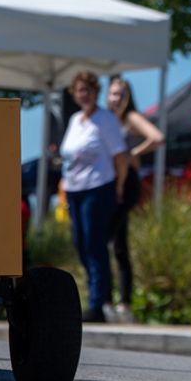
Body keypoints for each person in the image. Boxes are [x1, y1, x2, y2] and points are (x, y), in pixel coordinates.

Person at [59, 70, 129, 323]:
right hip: (74, 189)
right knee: (80, 243)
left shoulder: (106, 120)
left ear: (96, 92)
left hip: (98, 186)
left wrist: (119, 187)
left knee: (94, 243)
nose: (84, 95)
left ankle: (97, 303)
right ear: (74, 94)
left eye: (88, 90)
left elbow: (120, 157)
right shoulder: (76, 120)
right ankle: (94, 295)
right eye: (80, 90)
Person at [106, 76, 164, 323]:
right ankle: (118, 303)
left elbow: (157, 137)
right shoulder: (105, 120)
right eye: (113, 94)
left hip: (126, 183)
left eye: (121, 94)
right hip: (107, 183)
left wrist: (133, 154)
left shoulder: (131, 119)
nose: (116, 98)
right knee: (118, 245)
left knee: (108, 241)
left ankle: (117, 302)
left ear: (128, 97)